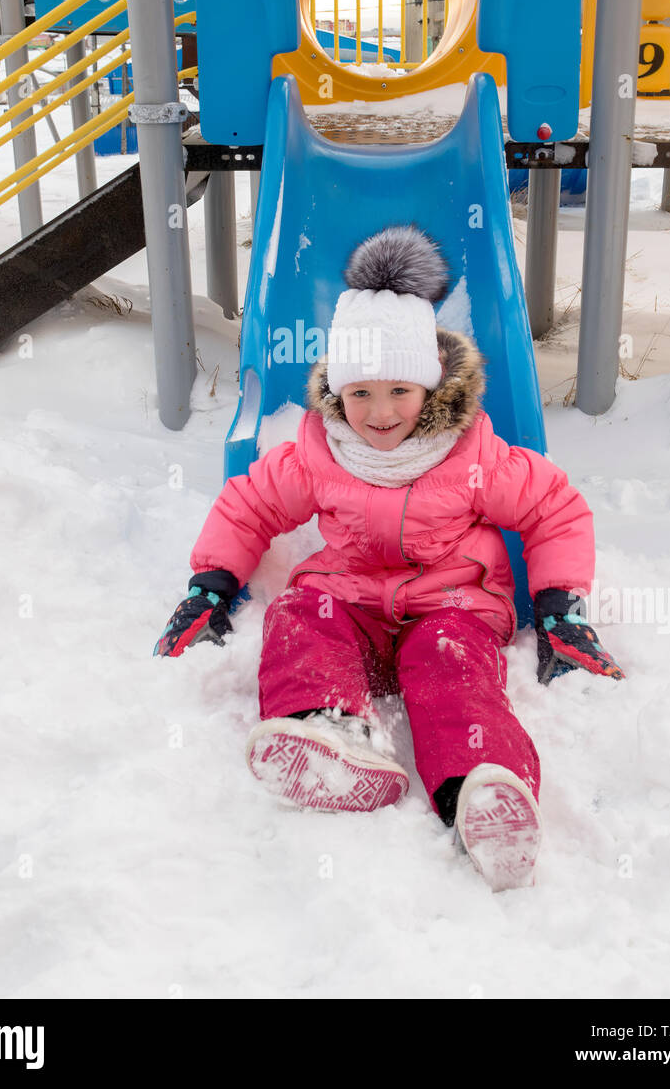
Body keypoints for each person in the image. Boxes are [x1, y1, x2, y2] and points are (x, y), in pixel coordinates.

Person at [155, 225, 624, 891]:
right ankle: (329, 734)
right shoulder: (316, 452)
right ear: (336, 393)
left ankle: (481, 790)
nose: (378, 413)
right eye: (360, 393)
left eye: (398, 391)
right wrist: (209, 584)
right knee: (300, 612)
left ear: (429, 389)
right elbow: (249, 506)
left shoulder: (474, 455)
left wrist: (559, 606)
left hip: (452, 604)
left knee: (450, 665)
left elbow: (555, 510)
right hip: (351, 599)